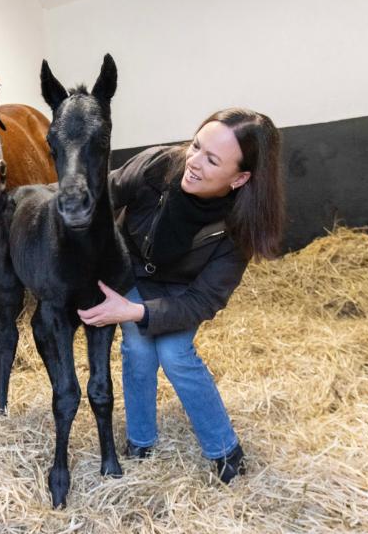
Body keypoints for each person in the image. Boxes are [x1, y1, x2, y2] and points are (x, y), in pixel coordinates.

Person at [78, 108, 284, 484]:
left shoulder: (238, 229)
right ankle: (141, 442)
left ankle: (225, 451)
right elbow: (101, 194)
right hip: (132, 271)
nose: (194, 161)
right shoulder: (157, 165)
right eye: (196, 145)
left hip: (180, 293)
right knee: (138, 350)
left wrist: (134, 311)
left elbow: (203, 301)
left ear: (239, 178)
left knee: (175, 354)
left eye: (211, 159)